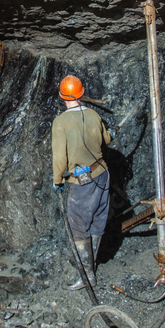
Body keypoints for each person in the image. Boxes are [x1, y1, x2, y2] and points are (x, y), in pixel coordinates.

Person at [51, 75, 112, 290]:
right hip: (103, 174)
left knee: (78, 227)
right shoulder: (94, 114)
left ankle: (86, 276)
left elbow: (59, 158)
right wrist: (109, 132)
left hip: (83, 181)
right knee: (97, 220)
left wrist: (57, 181)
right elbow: (107, 140)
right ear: (81, 92)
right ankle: (91, 266)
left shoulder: (61, 122)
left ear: (62, 96)